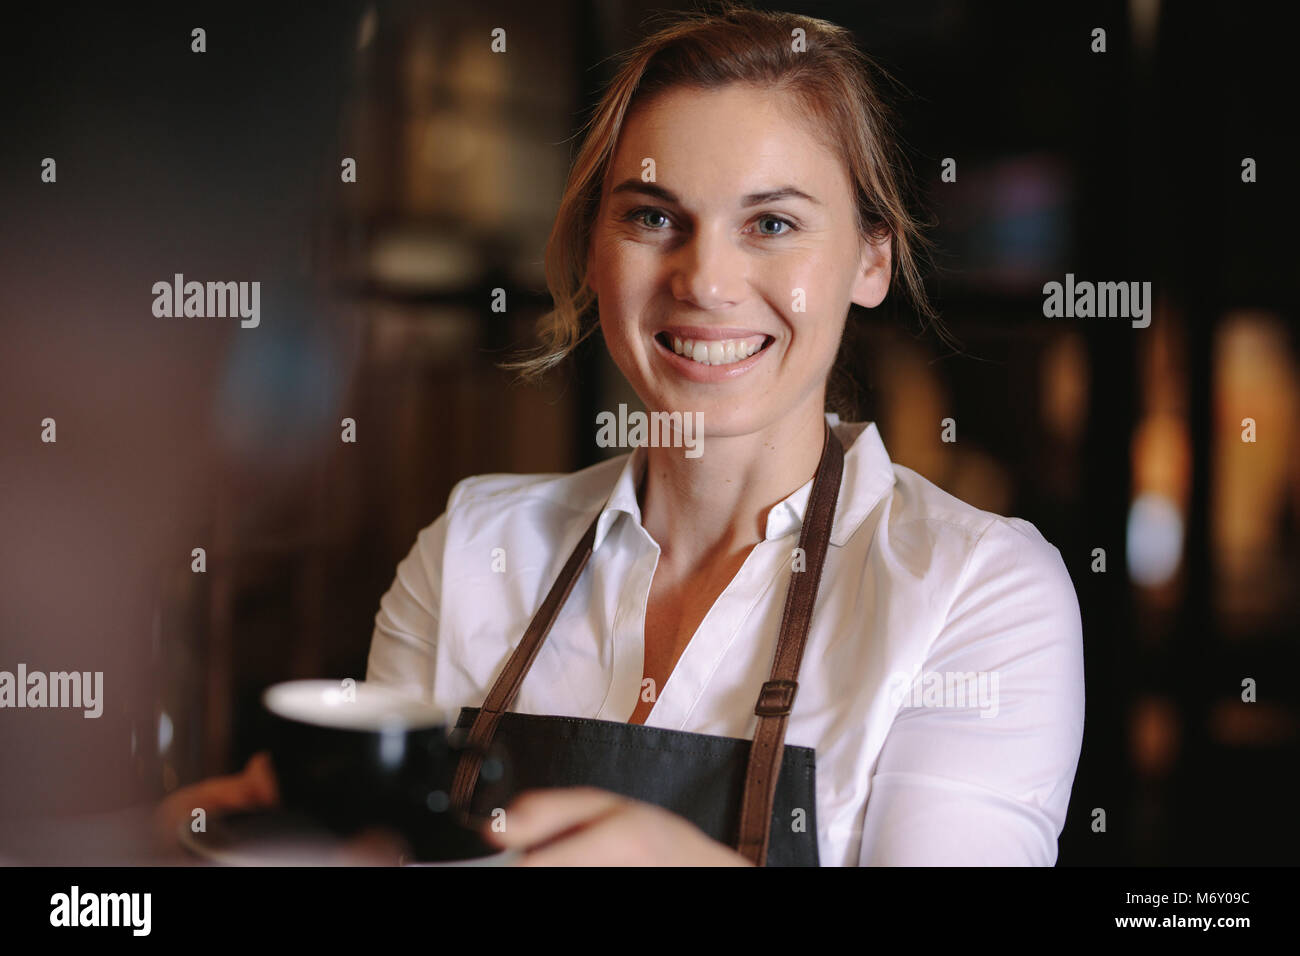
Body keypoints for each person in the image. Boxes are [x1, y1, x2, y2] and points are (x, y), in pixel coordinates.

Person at [157, 5, 1085, 866]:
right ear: (593, 248)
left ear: (871, 260)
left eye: (771, 223)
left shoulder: (978, 592)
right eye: (653, 217)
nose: (706, 280)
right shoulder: (471, 550)